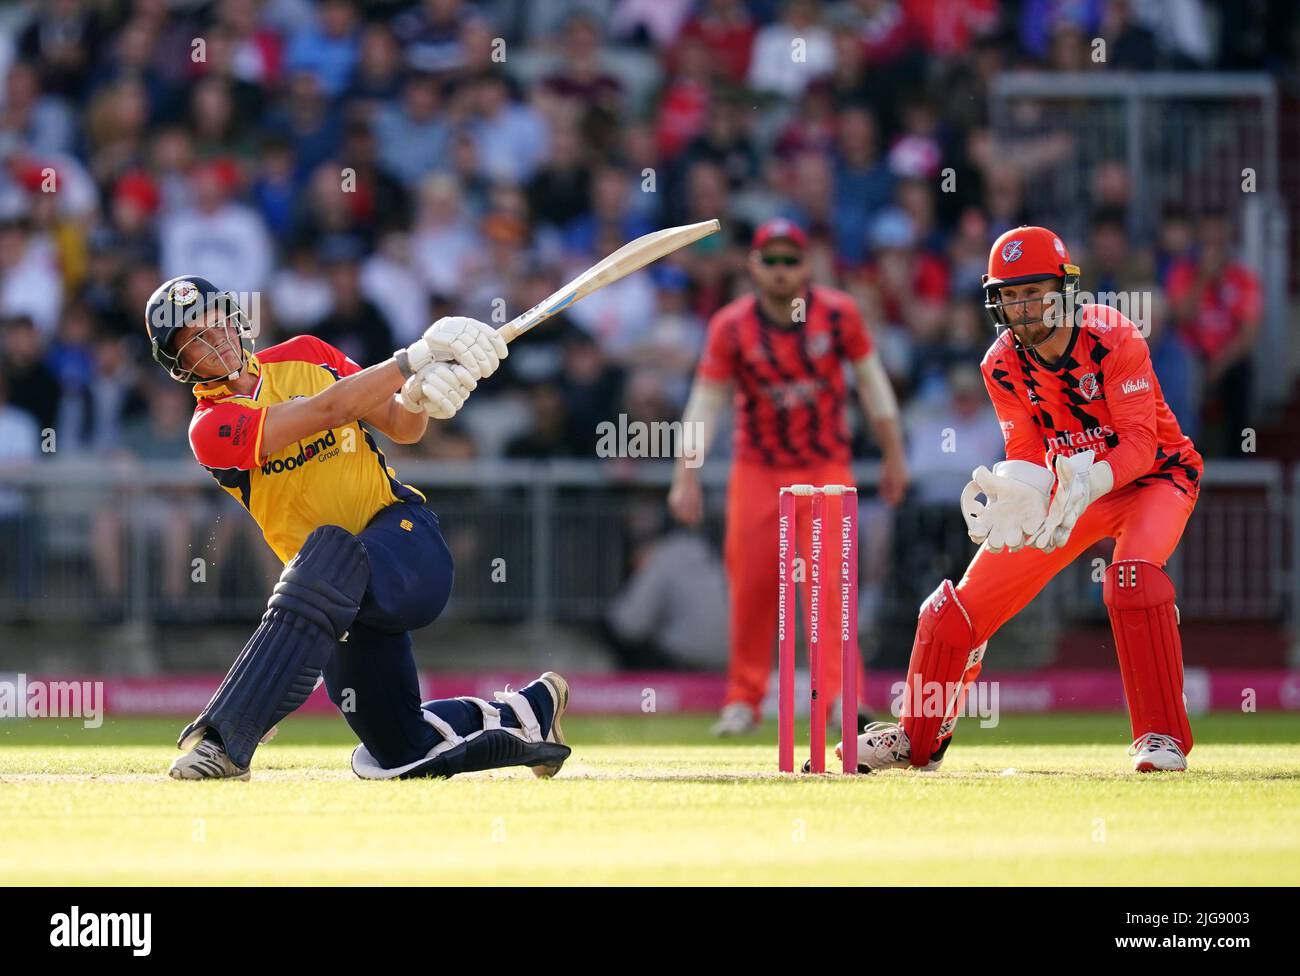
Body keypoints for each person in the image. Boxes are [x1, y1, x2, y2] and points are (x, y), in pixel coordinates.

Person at [143, 274, 570, 780]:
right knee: (397, 752)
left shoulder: (307, 353)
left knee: (328, 548)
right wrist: (411, 360)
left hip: (405, 548)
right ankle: (529, 712)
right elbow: (330, 408)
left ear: (234, 317)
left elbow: (403, 428)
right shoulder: (210, 428)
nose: (215, 339)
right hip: (335, 603)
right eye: (194, 339)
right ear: (181, 364)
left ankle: (226, 739)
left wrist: (419, 398)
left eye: (215, 321)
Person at [848, 226, 1202, 774]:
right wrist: (1019, 495)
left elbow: (1139, 443)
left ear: (1064, 289)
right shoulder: (1000, 364)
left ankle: (1161, 737)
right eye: (1009, 295)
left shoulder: (1114, 336)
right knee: (955, 610)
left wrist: (1089, 482)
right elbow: (1028, 450)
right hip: (1071, 490)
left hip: (1153, 479)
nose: (1022, 306)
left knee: (1131, 579)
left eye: (1032, 291)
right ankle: (915, 740)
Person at [668, 218, 908, 736]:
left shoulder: (840, 316)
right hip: (757, 471)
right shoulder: (730, 326)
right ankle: (744, 699)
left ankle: (843, 699)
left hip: (826, 469)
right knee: (751, 586)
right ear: (753, 265)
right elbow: (704, 405)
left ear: (807, 265)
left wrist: (894, 456)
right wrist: (685, 475)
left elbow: (874, 387)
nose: (780, 272)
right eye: (770, 261)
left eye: (790, 260)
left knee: (830, 589)